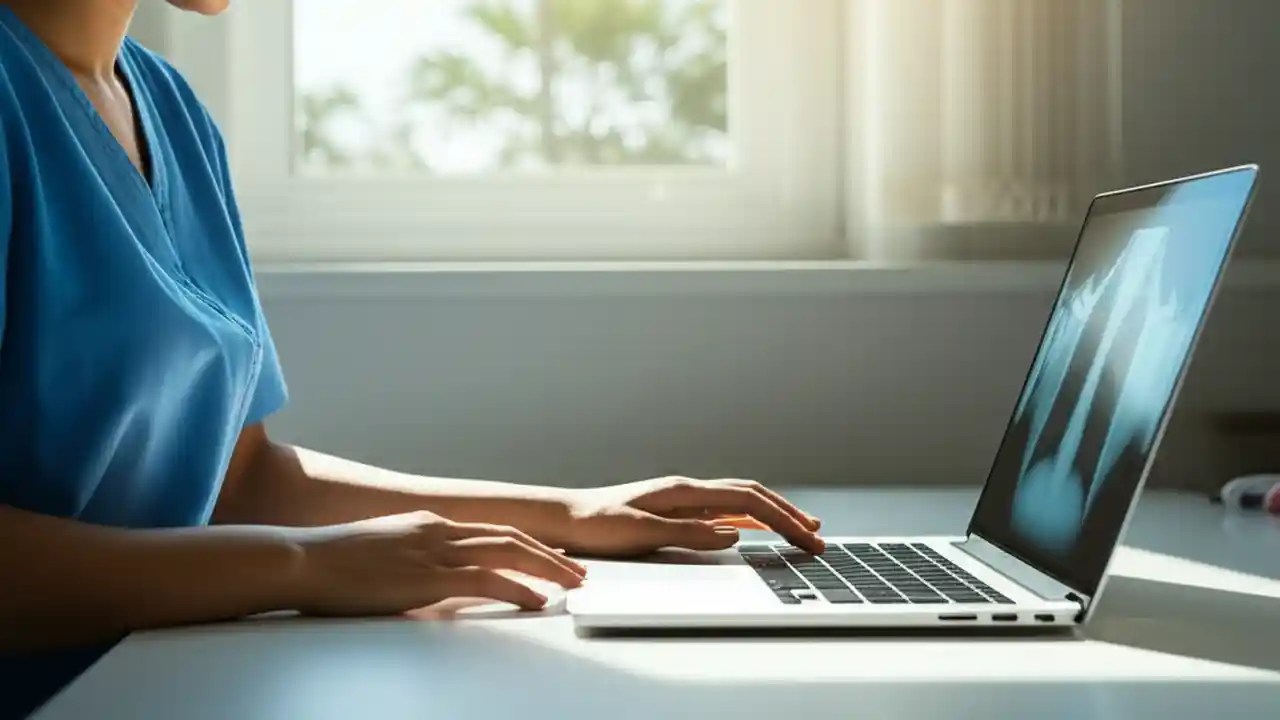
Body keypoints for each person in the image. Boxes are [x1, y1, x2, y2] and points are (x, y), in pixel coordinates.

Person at [0, 0, 824, 715]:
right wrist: (301, 566)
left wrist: (568, 513)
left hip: (161, 683)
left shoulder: (172, 111)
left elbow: (237, 480)